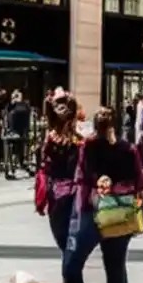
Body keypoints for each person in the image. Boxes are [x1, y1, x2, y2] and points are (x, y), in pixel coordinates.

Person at [59, 107, 143, 283]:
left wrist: (111, 184)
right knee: (75, 262)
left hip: (113, 212)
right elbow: (83, 175)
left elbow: (138, 180)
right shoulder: (90, 146)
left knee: (109, 263)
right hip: (96, 211)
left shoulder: (126, 150)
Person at [36, 90, 83, 251]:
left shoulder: (51, 139)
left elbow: (44, 166)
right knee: (73, 243)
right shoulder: (79, 141)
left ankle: (69, 270)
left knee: (63, 241)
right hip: (76, 194)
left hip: (56, 194)